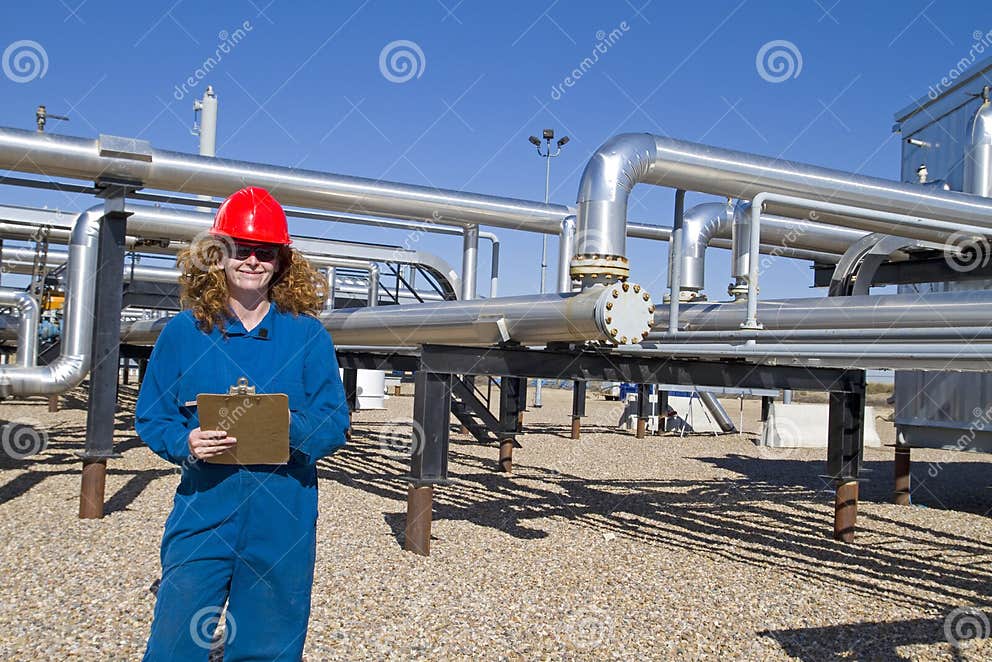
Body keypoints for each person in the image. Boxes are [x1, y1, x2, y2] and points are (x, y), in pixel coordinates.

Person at [135, 186, 350, 660]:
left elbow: (335, 421)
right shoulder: (184, 333)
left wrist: (284, 426)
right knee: (177, 635)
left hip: (283, 510)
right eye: (241, 250)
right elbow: (152, 414)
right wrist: (184, 440)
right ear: (217, 256)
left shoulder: (307, 335)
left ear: (281, 261)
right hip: (204, 505)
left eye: (265, 252)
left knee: (269, 641)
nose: (252, 261)